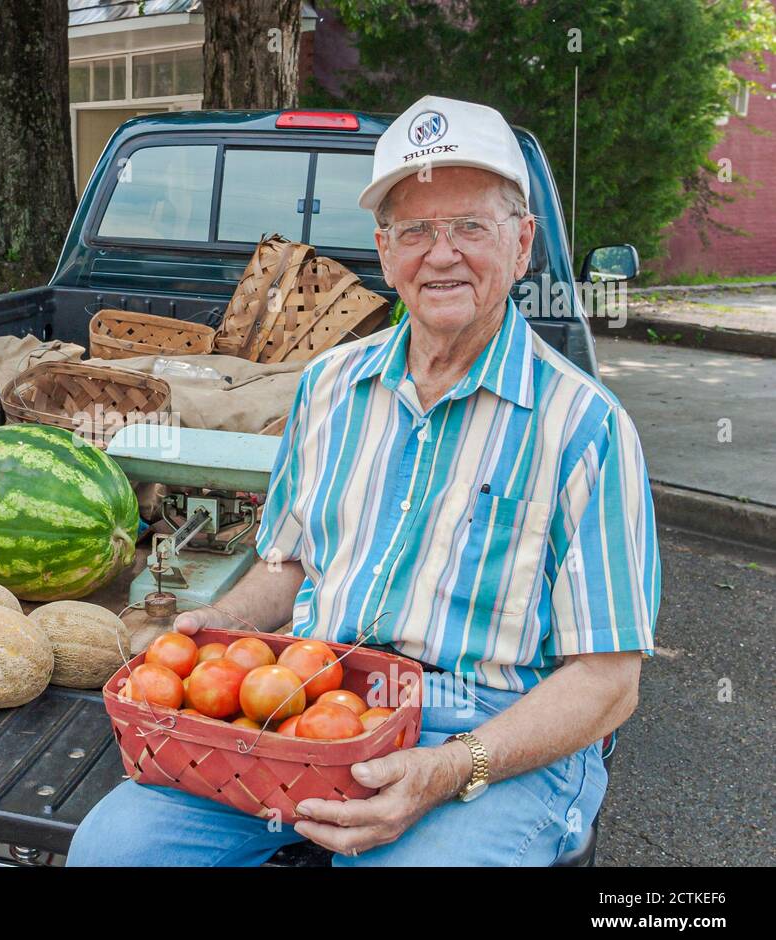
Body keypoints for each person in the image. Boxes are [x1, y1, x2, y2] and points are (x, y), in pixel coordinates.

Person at [68, 95, 660, 867]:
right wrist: (214, 631)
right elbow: (290, 564)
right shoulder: (328, 389)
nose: (440, 254)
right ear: (384, 251)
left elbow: (610, 679)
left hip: (488, 728)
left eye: (469, 227)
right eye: (416, 230)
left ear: (522, 244)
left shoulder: (587, 426)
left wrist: (452, 768)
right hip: (316, 702)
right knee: (112, 854)